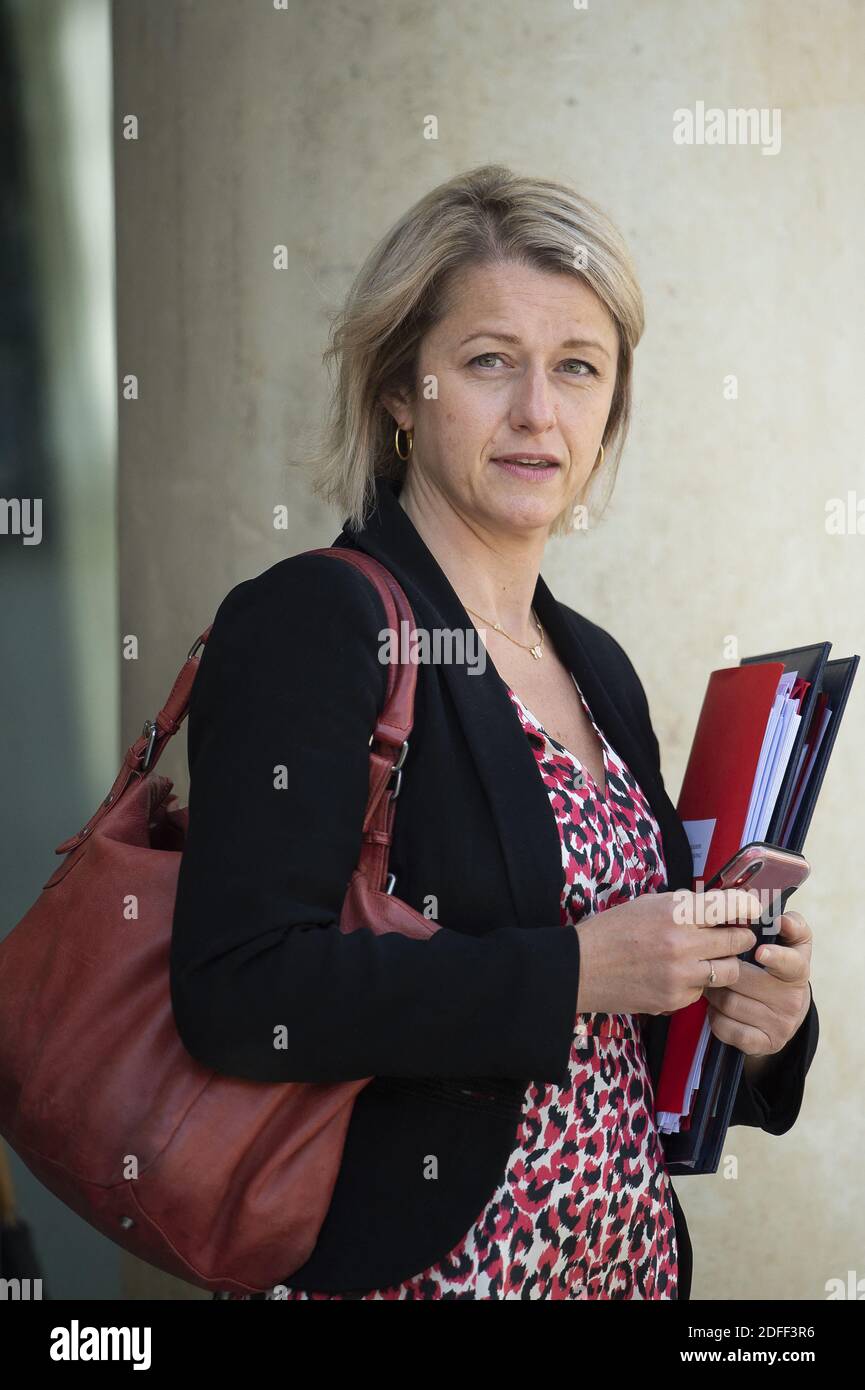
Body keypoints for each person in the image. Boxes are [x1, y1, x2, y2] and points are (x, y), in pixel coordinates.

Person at [171, 165, 817, 1301]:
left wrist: (754, 1017)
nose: (537, 412)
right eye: (488, 362)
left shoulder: (595, 665)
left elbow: (628, 1012)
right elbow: (240, 994)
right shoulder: (314, 620)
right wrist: (574, 968)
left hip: (624, 1269)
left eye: (577, 369)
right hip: (420, 1277)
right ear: (399, 392)